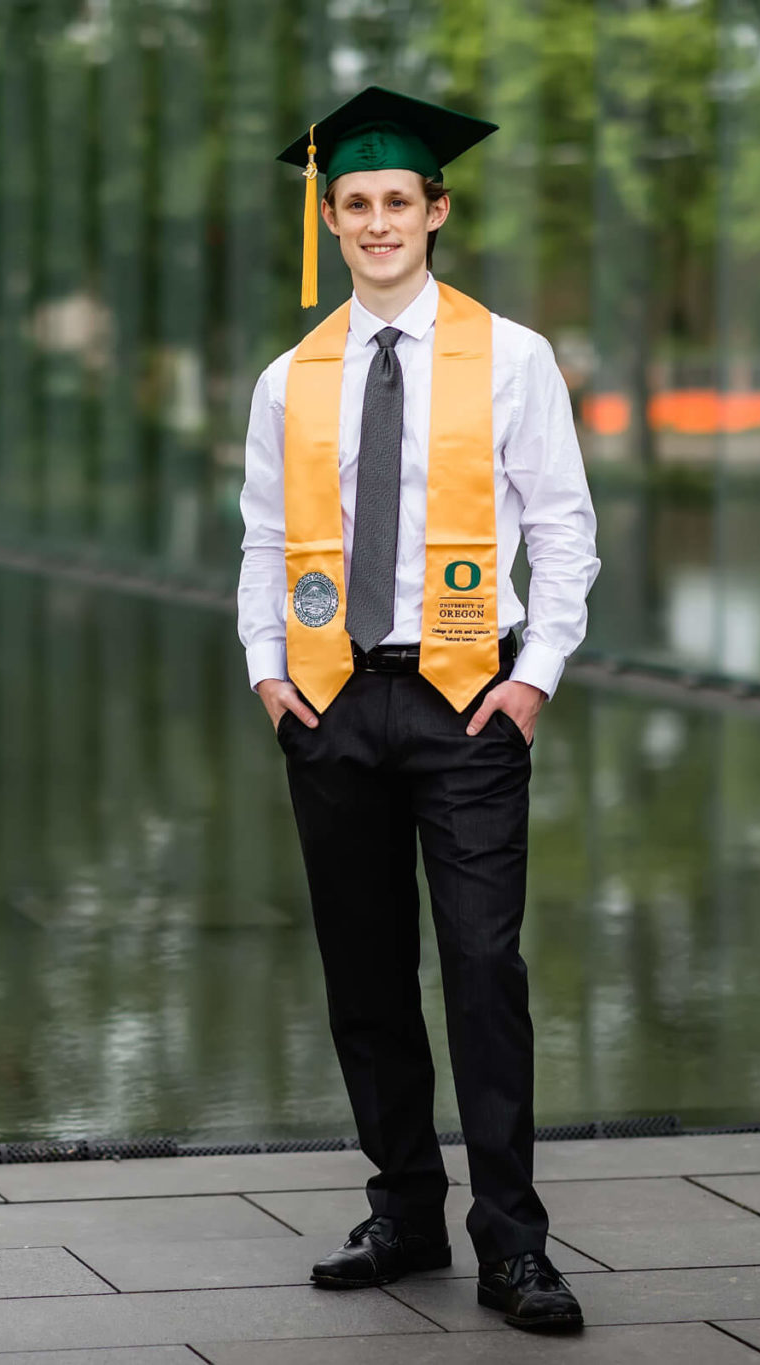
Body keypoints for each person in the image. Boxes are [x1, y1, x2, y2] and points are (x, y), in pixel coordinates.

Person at [235, 86, 599, 1334]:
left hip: (464, 703)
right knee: (365, 973)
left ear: (435, 211)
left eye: (399, 201)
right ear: (329, 220)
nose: (378, 222)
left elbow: (560, 530)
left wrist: (533, 676)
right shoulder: (291, 378)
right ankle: (403, 1212)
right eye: (356, 204)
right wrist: (267, 674)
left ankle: (512, 1244)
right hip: (332, 702)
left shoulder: (511, 358)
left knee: (483, 968)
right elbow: (262, 540)